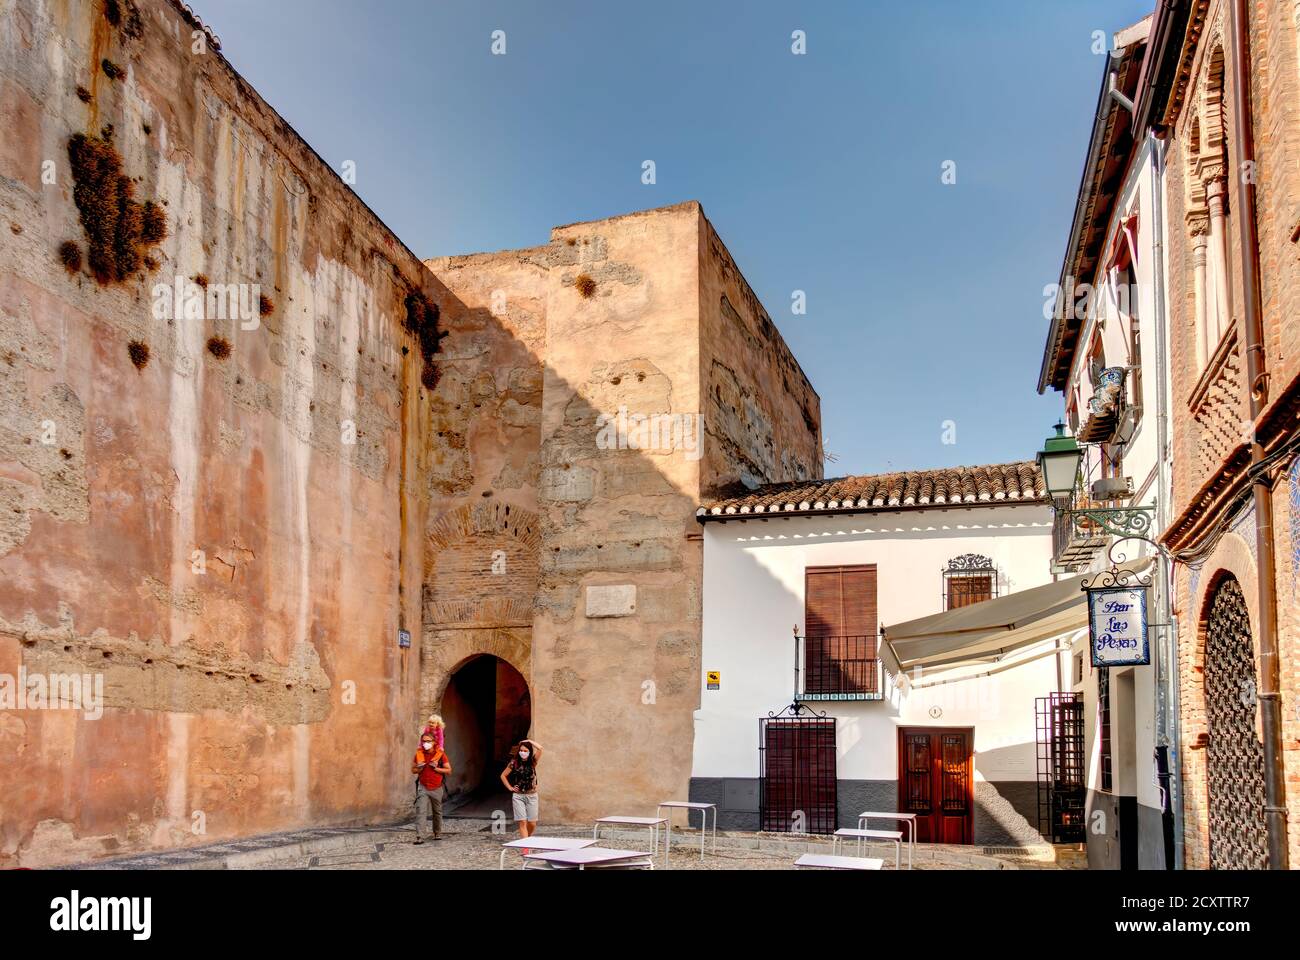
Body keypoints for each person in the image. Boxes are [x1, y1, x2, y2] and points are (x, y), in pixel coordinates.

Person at [411, 730, 451, 844]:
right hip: (423, 787)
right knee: (421, 811)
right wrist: (419, 768)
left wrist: (436, 768)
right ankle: (419, 836)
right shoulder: (419, 754)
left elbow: (449, 770)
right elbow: (413, 770)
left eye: (428, 741)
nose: (425, 743)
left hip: (437, 787)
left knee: (437, 811)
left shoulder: (441, 755)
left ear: (434, 742)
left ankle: (437, 833)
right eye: (423, 741)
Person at [499, 739, 542, 839]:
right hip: (518, 796)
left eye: (525, 751)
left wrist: (529, 741)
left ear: (529, 751)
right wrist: (510, 788)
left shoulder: (533, 761)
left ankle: (526, 839)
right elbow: (503, 776)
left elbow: (540, 748)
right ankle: (525, 847)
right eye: (521, 750)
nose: (523, 752)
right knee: (522, 822)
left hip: (532, 796)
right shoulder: (514, 763)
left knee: (532, 823)